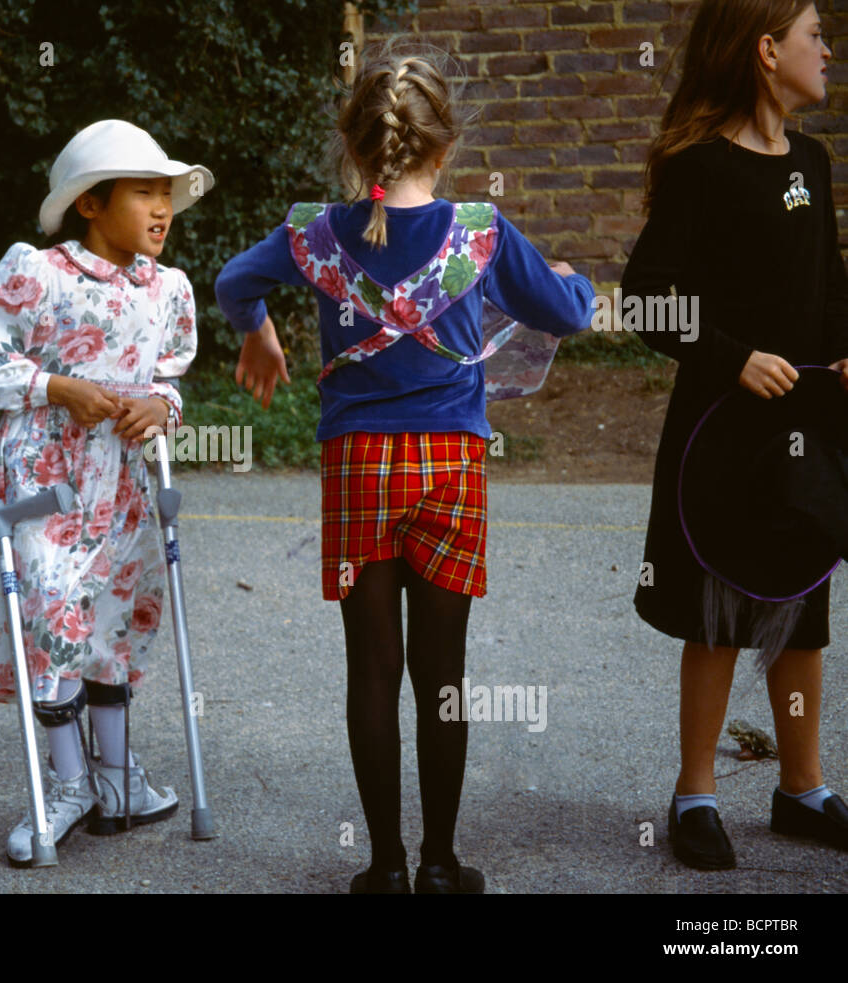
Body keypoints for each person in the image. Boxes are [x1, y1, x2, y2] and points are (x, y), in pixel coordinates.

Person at [216, 38, 594, 893]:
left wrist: (260, 332)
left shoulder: (311, 235)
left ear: (352, 149)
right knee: (443, 673)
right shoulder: (482, 236)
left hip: (358, 468)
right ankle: (440, 861)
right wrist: (574, 281)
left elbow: (233, 281)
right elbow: (566, 311)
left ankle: (382, 864)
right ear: (447, 146)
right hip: (451, 465)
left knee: (371, 669)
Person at [0, 119, 212, 865]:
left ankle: (117, 777)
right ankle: (66, 783)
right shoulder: (38, 271)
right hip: (46, 479)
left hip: (125, 478)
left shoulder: (168, 290)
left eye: (169, 194)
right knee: (51, 615)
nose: (163, 208)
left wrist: (164, 406)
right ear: (90, 204)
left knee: (114, 622)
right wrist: (55, 386)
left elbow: (169, 377)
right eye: (145, 192)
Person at [621, 0, 848, 870]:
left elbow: (830, 286)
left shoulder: (815, 165)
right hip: (721, 431)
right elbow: (644, 298)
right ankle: (697, 790)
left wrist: (844, 350)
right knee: (717, 608)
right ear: (766, 51)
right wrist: (732, 357)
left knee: (802, 605)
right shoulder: (701, 169)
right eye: (813, 35)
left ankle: (802, 786)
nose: (827, 49)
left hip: (805, 429)